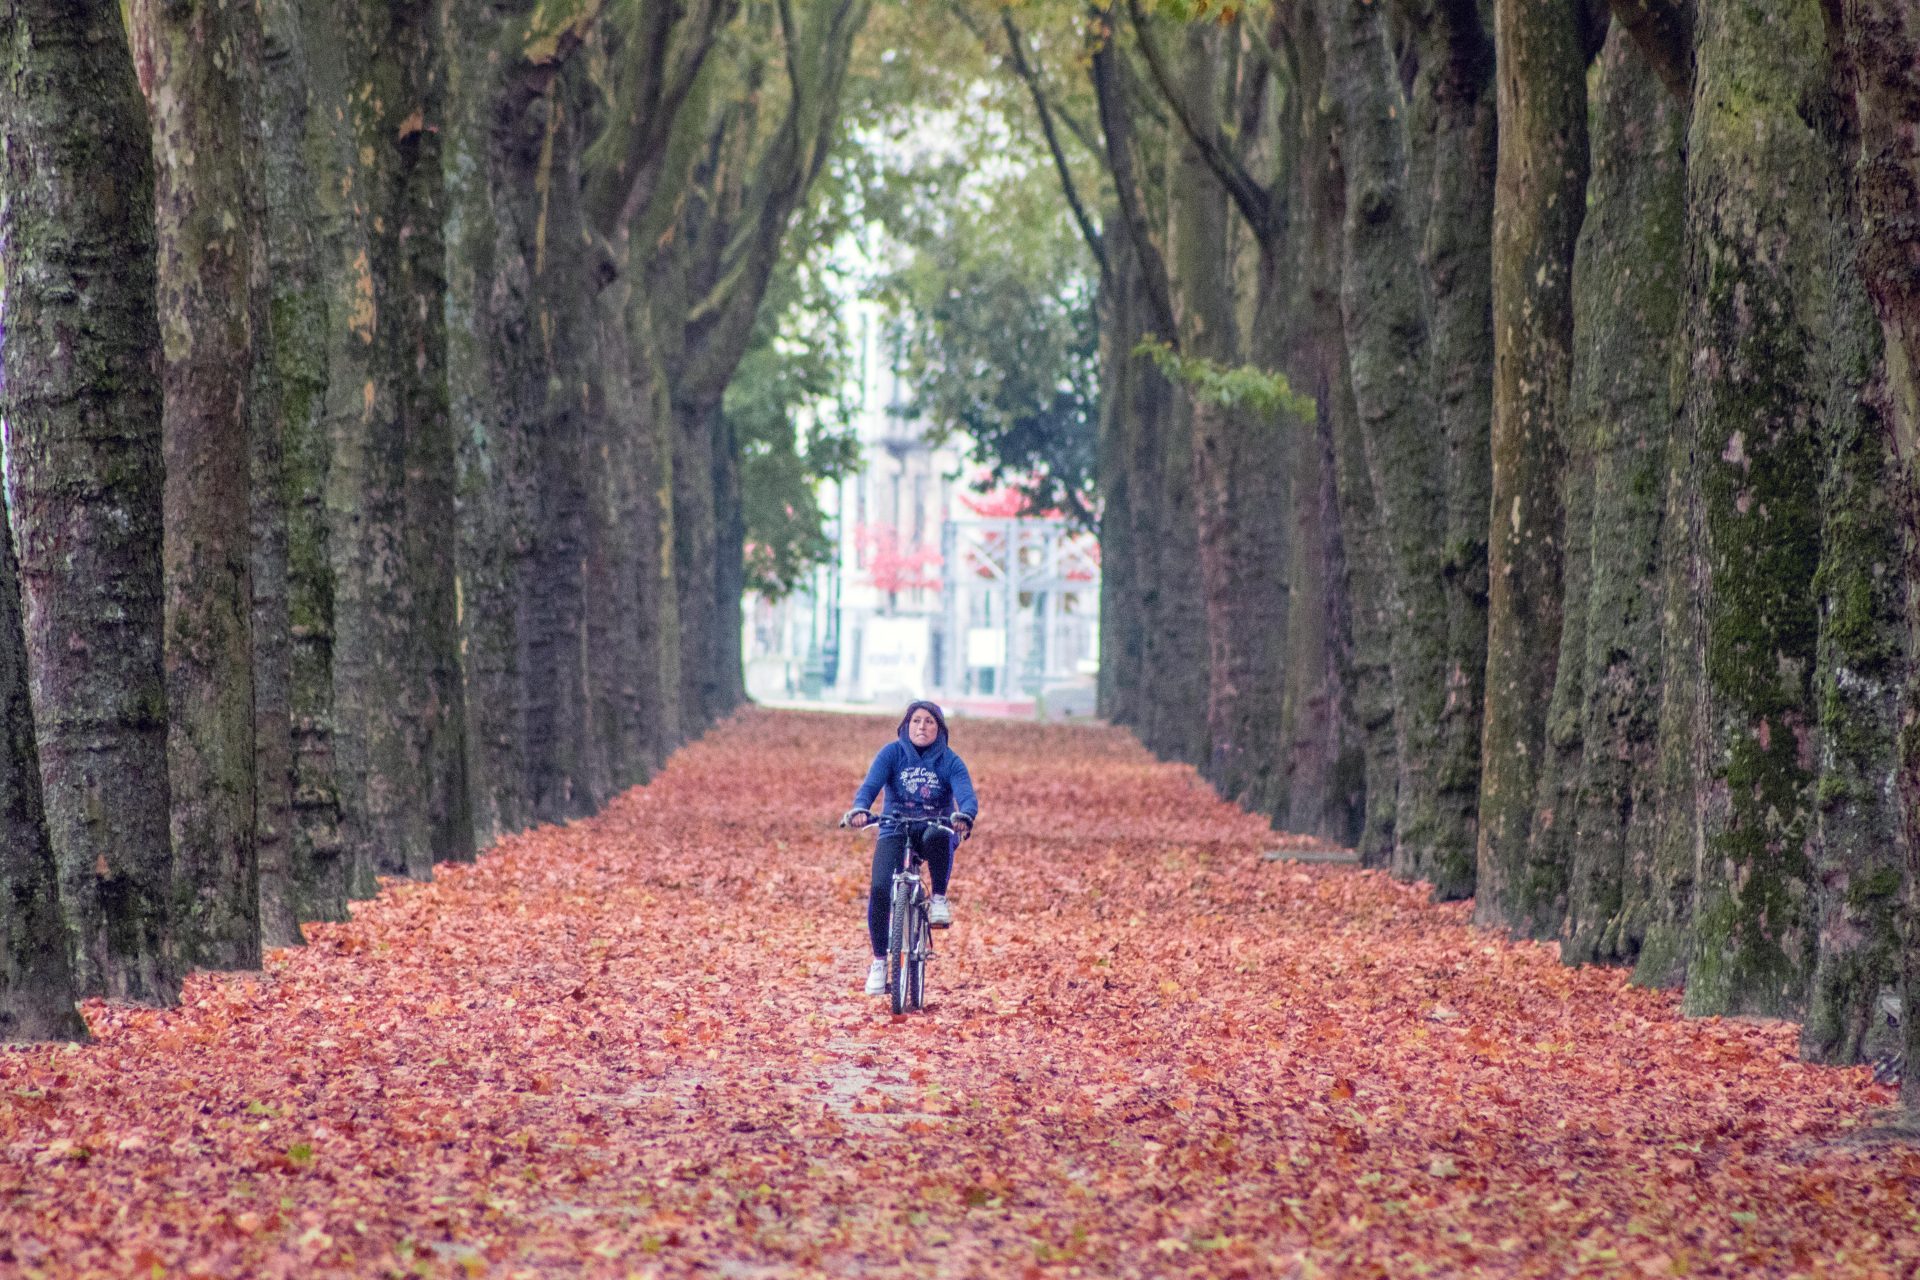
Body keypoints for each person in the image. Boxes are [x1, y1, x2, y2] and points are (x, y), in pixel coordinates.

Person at [842, 700, 978, 996]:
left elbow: (966, 793)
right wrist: (860, 809)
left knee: (937, 836)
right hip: (895, 825)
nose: (922, 727)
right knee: (879, 889)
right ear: (906, 724)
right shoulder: (891, 753)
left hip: (934, 825)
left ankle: (939, 898)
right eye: (916, 720)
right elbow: (869, 787)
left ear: (939, 729)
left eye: (929, 722)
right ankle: (880, 962)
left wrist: (965, 815)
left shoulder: (950, 761)